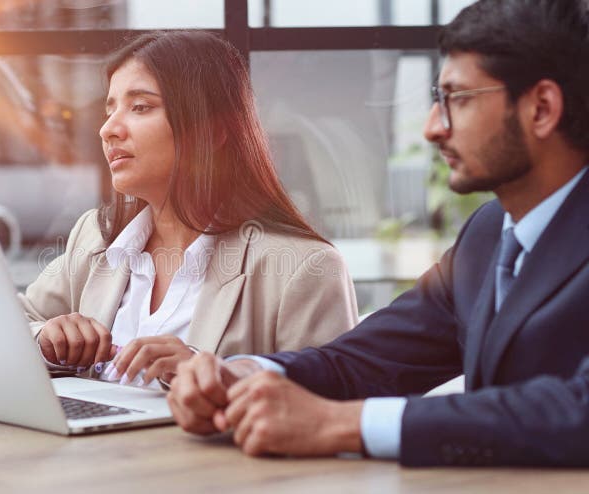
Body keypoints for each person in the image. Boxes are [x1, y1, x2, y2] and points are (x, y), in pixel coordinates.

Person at [167, 0, 589, 467]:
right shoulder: (488, 234)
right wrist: (246, 374)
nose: (432, 128)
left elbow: (578, 409)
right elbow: (369, 359)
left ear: (542, 109)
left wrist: (338, 424)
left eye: (459, 98)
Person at [19, 31, 358, 388]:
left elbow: (326, 406)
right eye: (110, 109)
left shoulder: (306, 268)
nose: (108, 130)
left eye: (140, 107)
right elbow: (7, 323)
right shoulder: (97, 234)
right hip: (90, 444)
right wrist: (46, 338)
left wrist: (211, 376)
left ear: (211, 130)